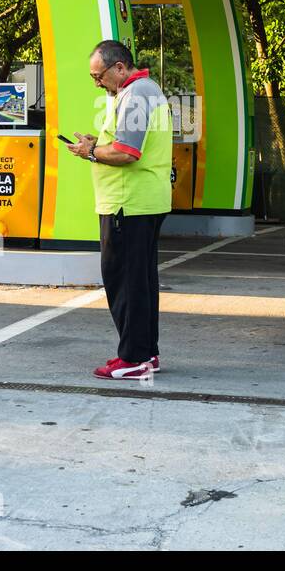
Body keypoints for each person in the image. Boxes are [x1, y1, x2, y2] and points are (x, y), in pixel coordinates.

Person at [66, 39, 173, 380]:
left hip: (129, 204)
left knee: (125, 282)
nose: (97, 83)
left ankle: (135, 357)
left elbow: (127, 152)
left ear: (120, 68)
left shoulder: (136, 95)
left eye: (99, 76)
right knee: (139, 281)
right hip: (140, 202)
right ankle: (144, 353)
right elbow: (127, 143)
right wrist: (96, 144)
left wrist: (90, 153)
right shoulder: (143, 90)